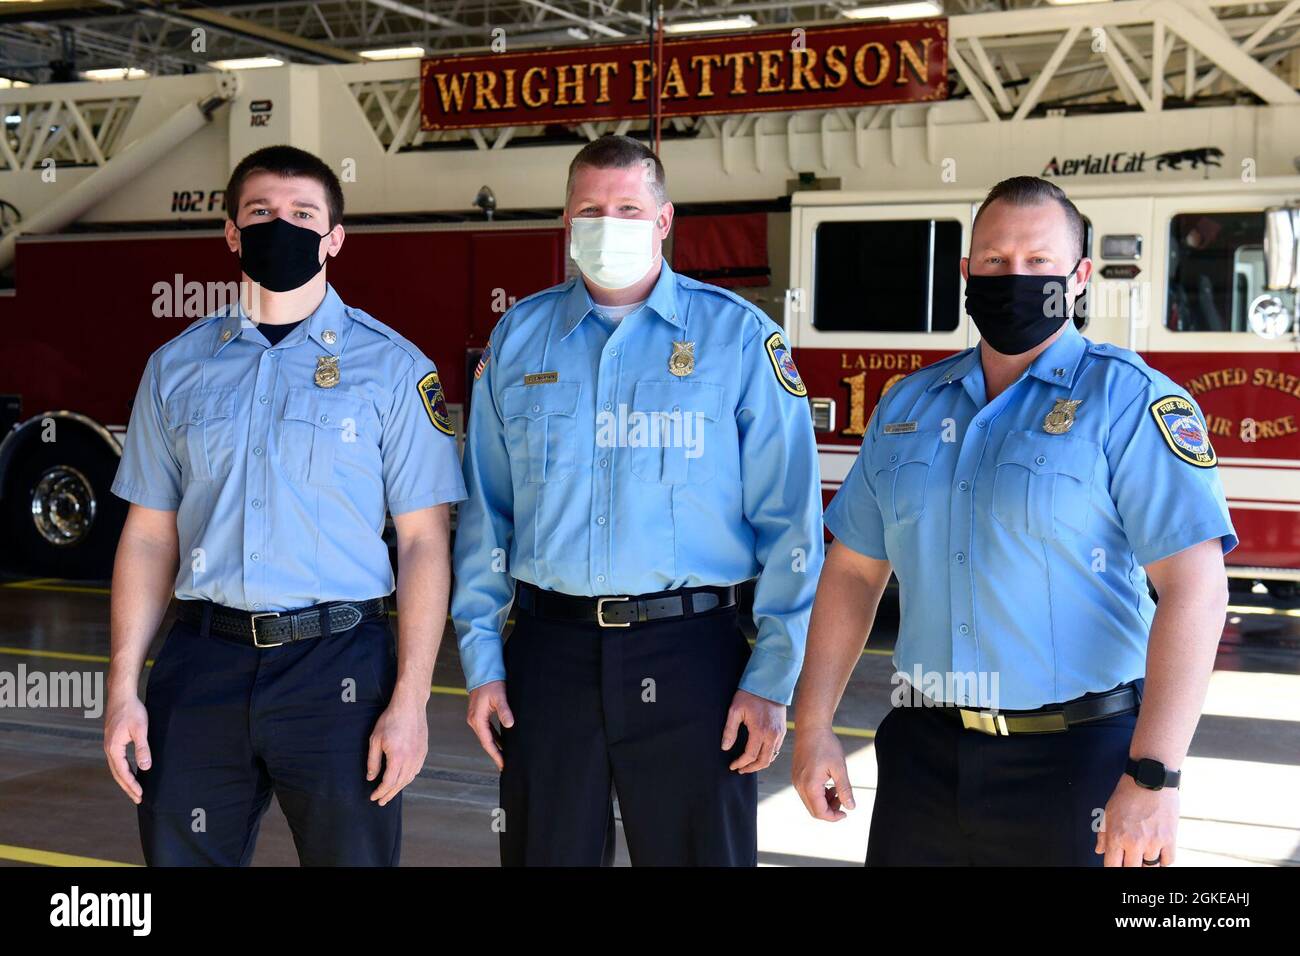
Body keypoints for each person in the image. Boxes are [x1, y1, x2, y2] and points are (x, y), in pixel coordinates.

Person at [792, 175, 1236, 867]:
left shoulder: (1130, 403)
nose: (1015, 277)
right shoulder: (908, 405)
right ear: (967, 272)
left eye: (1038, 263)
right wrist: (813, 725)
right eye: (995, 262)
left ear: (1080, 275)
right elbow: (852, 570)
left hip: (1079, 759)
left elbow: (1196, 589)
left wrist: (1154, 776)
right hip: (923, 755)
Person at [451, 134, 823, 866]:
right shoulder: (519, 339)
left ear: (663, 220)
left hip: (694, 656)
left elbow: (791, 524)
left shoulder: (739, 339)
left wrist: (771, 678)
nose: (607, 222)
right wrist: (483, 660)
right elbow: (484, 514)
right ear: (567, 221)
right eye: (590, 207)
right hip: (549, 655)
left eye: (627, 207)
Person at [102, 145, 466, 866]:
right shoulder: (176, 368)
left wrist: (411, 701)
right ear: (232, 234)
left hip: (340, 671)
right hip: (202, 664)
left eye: (303, 215)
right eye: (261, 213)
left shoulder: (394, 369)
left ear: (335, 238)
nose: (282, 227)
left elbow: (424, 542)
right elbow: (148, 537)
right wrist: (121, 686)